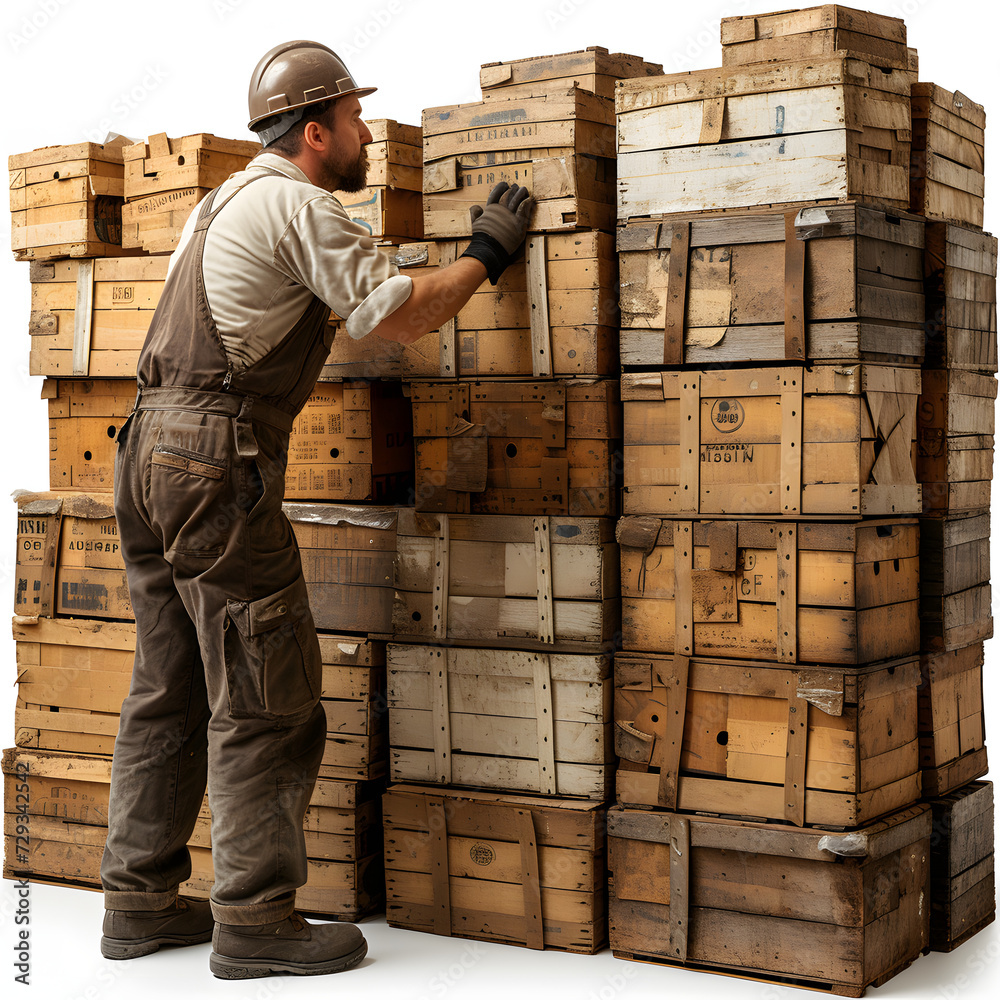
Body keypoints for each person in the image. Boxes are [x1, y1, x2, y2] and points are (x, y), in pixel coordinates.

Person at [98, 39, 533, 980]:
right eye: (355, 119)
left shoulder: (216, 205)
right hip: (213, 458)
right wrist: (485, 257)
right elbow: (397, 315)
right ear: (314, 131)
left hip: (145, 453)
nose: (367, 134)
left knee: (168, 684)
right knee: (266, 687)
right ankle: (255, 921)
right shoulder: (296, 202)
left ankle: (136, 902)